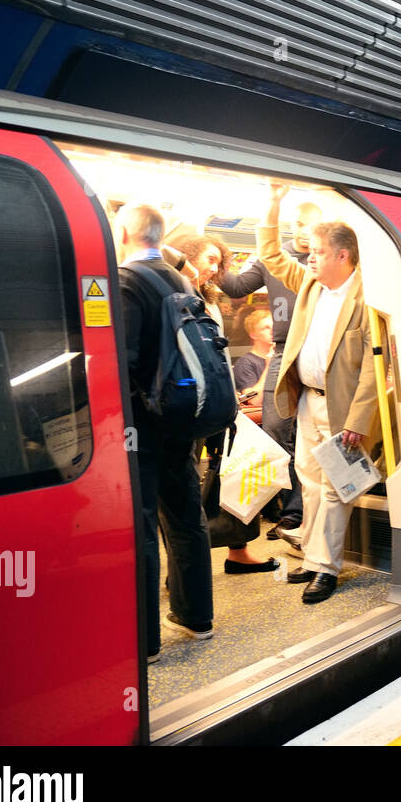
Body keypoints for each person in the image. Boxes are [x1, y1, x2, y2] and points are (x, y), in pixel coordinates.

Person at [258, 184, 381, 603]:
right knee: (309, 480)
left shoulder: (369, 295)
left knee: (335, 486)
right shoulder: (311, 283)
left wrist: (358, 421)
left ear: (342, 256)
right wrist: (273, 203)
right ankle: (313, 559)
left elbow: (375, 364)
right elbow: (272, 256)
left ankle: (325, 569)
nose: (309, 258)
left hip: (343, 409)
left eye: (318, 252)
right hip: (308, 400)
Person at [115, 205, 214, 659]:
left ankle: (146, 640)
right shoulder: (183, 279)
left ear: (122, 233)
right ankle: (197, 618)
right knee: (185, 515)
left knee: (143, 525)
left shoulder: (126, 281)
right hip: (183, 416)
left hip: (143, 423)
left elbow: (127, 358)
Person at [214, 196, 323, 541]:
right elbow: (235, 287)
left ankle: (302, 511)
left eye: (310, 224)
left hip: (319, 347)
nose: (304, 232)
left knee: (317, 430)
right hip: (283, 350)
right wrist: (209, 261)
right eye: (299, 224)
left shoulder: (326, 259)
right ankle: (283, 507)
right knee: (276, 428)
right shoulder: (274, 259)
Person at [175, 235, 279, 575]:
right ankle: (181, 566)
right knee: (184, 483)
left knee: (236, 471)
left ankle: (238, 550)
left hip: (218, 400)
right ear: (187, 257)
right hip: (188, 403)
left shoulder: (210, 297)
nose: (215, 268)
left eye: (220, 262)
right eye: (209, 259)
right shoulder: (170, 292)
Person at [233, 309, 274, 407]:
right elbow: (254, 400)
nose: (272, 331)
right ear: (253, 335)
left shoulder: (283, 358)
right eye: (266, 328)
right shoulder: (245, 363)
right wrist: (269, 367)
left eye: (274, 327)